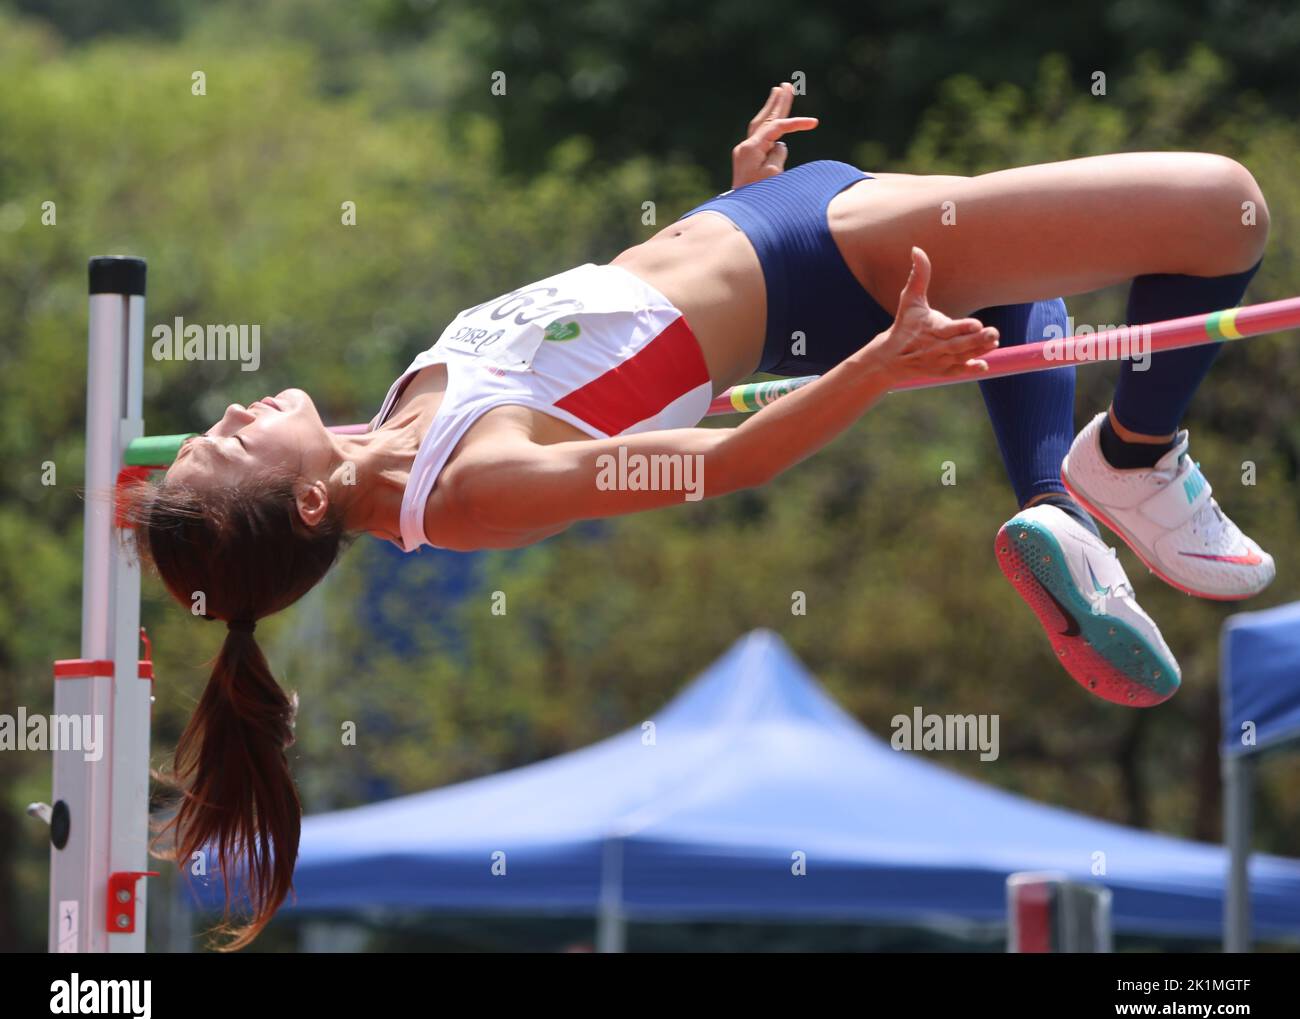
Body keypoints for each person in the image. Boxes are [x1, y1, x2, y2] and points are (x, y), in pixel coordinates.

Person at [127, 84, 1273, 948]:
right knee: (1225, 209)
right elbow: (709, 467)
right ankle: (1128, 457)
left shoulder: (373, 434)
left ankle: (1064, 497)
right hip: (823, 266)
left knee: (1027, 290)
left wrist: (723, 199)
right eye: (231, 439)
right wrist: (874, 366)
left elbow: (618, 329)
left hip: (774, 224)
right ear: (313, 500)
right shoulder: (470, 488)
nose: (226, 408)